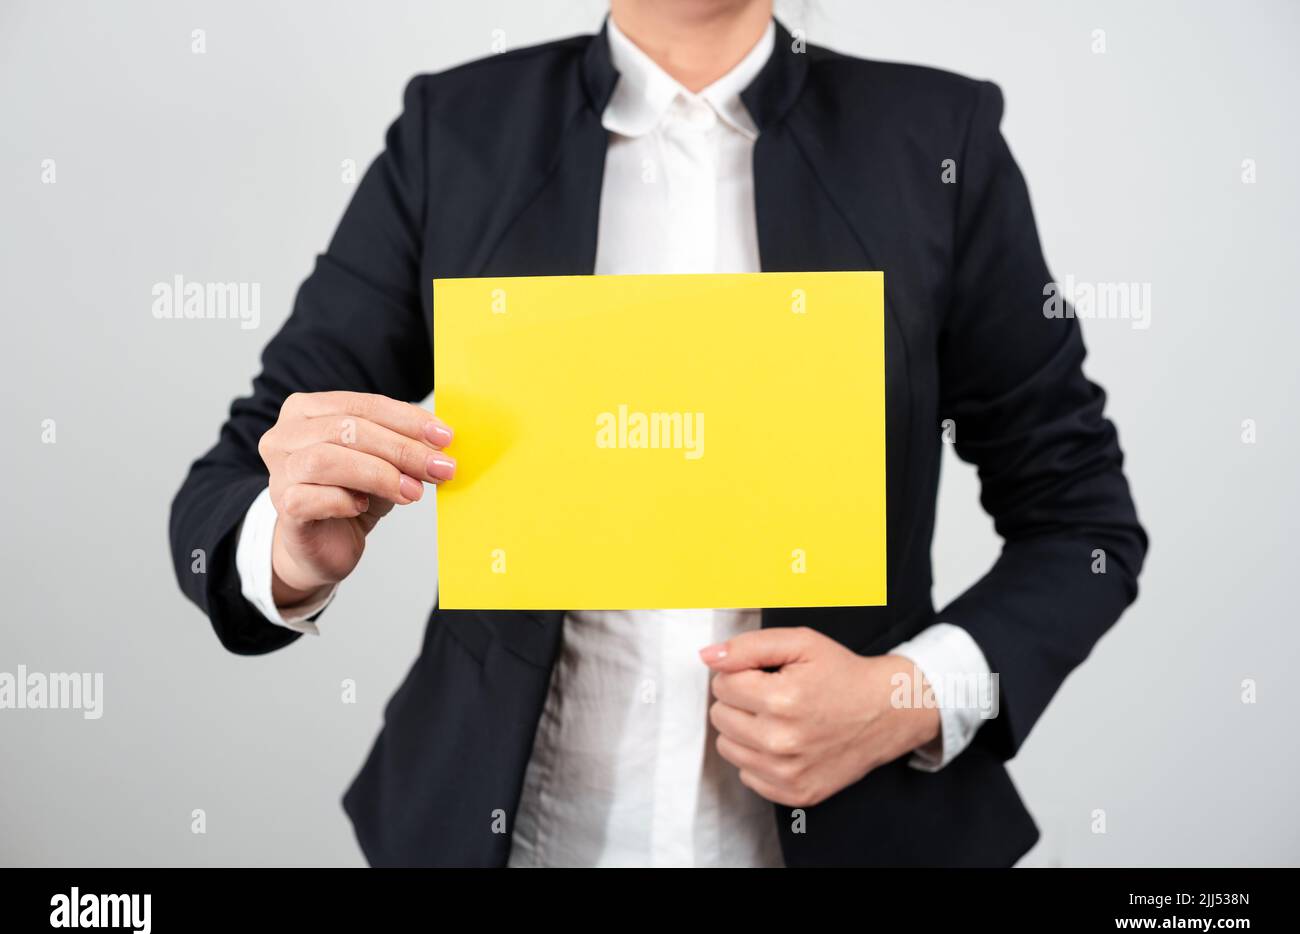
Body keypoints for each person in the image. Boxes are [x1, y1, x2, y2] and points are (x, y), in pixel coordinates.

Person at [170, 0, 1147, 866]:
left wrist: (904, 698)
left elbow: (1081, 524)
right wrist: (289, 542)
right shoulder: (454, 131)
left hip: (859, 832)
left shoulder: (937, 138)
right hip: (508, 833)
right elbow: (237, 477)